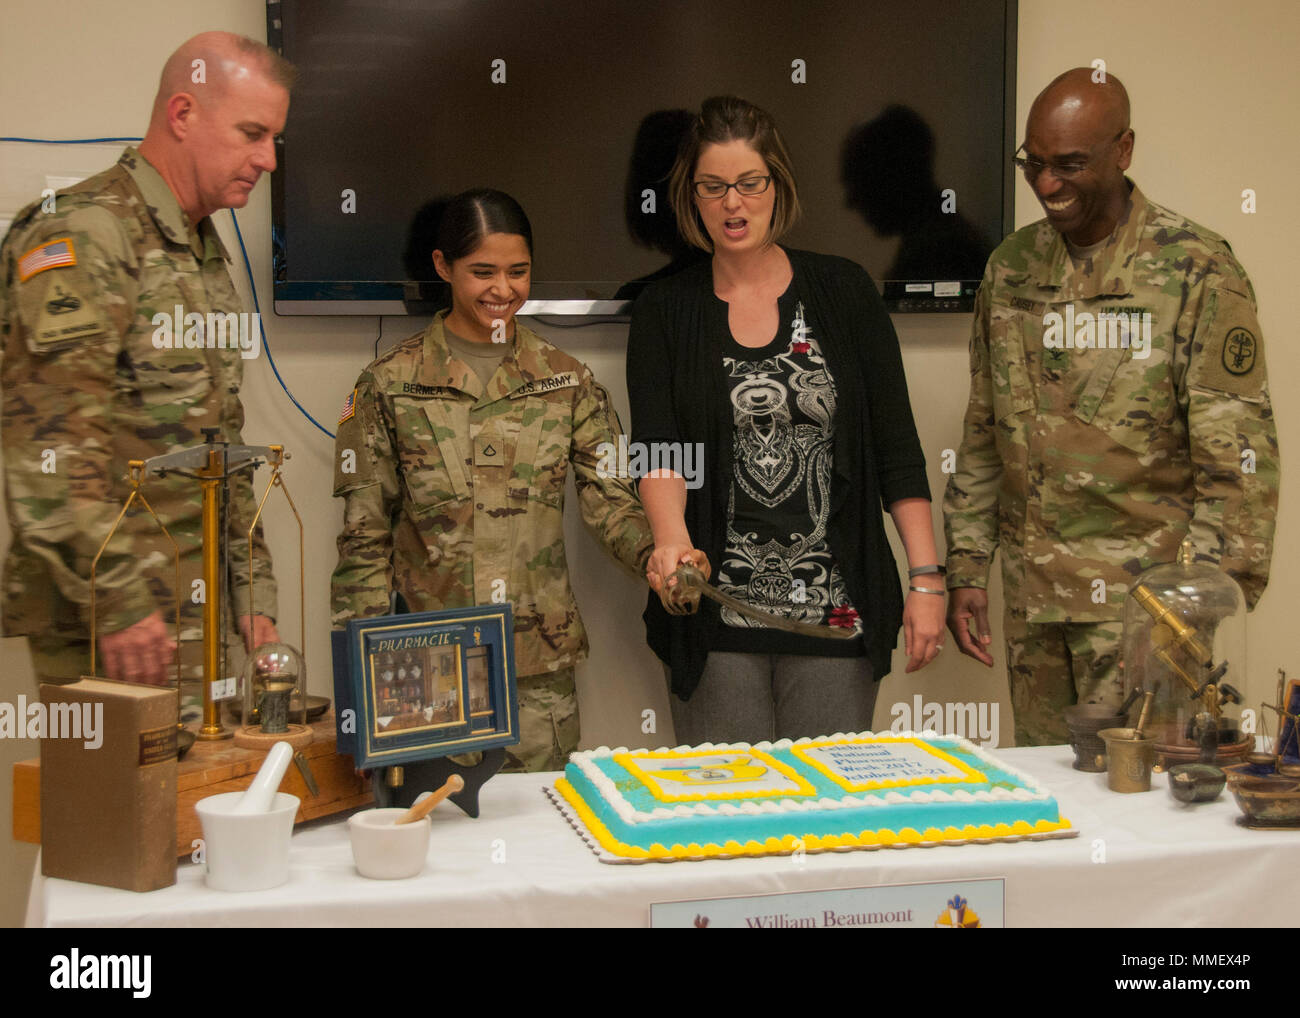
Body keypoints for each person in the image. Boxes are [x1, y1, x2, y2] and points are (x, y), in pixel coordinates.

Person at [943, 68, 1279, 747]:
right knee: (1055, 816)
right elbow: (985, 429)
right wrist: (967, 566)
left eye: (1069, 165)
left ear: (1123, 150)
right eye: (1032, 164)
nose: (1045, 185)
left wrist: (1196, 611)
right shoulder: (1010, 269)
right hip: (1035, 610)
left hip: (1145, 615)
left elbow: (1238, 463)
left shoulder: (1197, 270)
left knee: (1143, 815)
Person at [627, 96, 946, 747]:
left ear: (778, 185)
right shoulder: (666, 309)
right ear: (692, 195)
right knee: (730, 824)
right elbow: (659, 452)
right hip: (715, 621)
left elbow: (897, 451)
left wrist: (926, 578)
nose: (732, 205)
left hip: (837, 616)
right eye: (713, 187)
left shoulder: (846, 292)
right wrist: (667, 538)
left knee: (823, 823)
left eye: (749, 183)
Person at [330, 189, 665, 772]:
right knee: (431, 836)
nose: (503, 290)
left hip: (535, 670)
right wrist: (362, 680)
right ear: (442, 267)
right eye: (482, 272)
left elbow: (612, 505)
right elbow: (364, 541)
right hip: (424, 666)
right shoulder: (387, 385)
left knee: (541, 844)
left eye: (518, 272)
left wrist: (660, 555)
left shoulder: (567, 382)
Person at [0, 32, 291, 686]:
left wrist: (254, 595)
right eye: (251, 133)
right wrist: (123, 600)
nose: (268, 159)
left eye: (274, 138)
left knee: (204, 790)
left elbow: (223, 439)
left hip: (196, 610)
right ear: (182, 114)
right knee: (122, 792)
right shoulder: (83, 232)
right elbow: (49, 444)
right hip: (115, 625)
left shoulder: (202, 252)